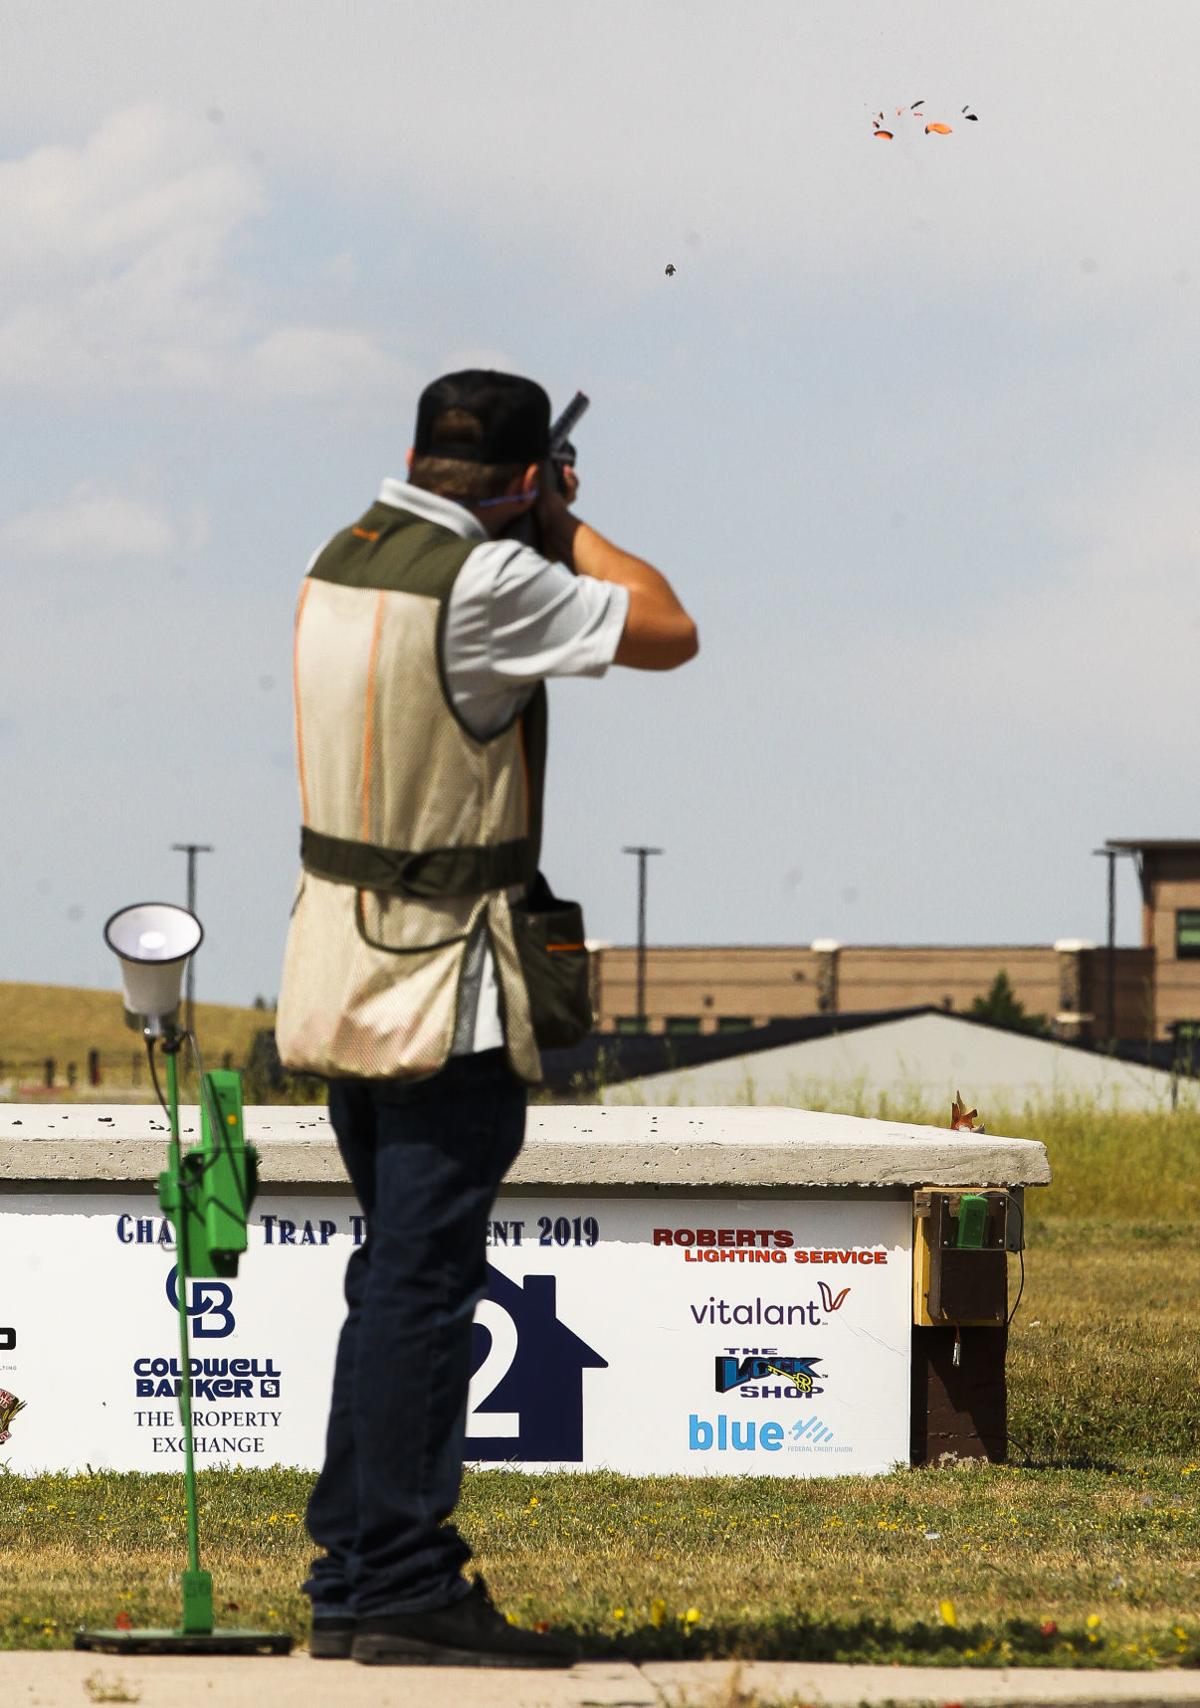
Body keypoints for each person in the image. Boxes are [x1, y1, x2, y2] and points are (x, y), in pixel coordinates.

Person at [274, 369, 698, 1667]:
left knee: (389, 1275)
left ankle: (354, 1576)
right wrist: (563, 528)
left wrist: (522, 510)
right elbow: (669, 627)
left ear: (412, 450)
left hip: (342, 965)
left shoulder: (348, 554)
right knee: (425, 1281)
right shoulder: (490, 580)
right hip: (444, 984)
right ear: (524, 477)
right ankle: (402, 1577)